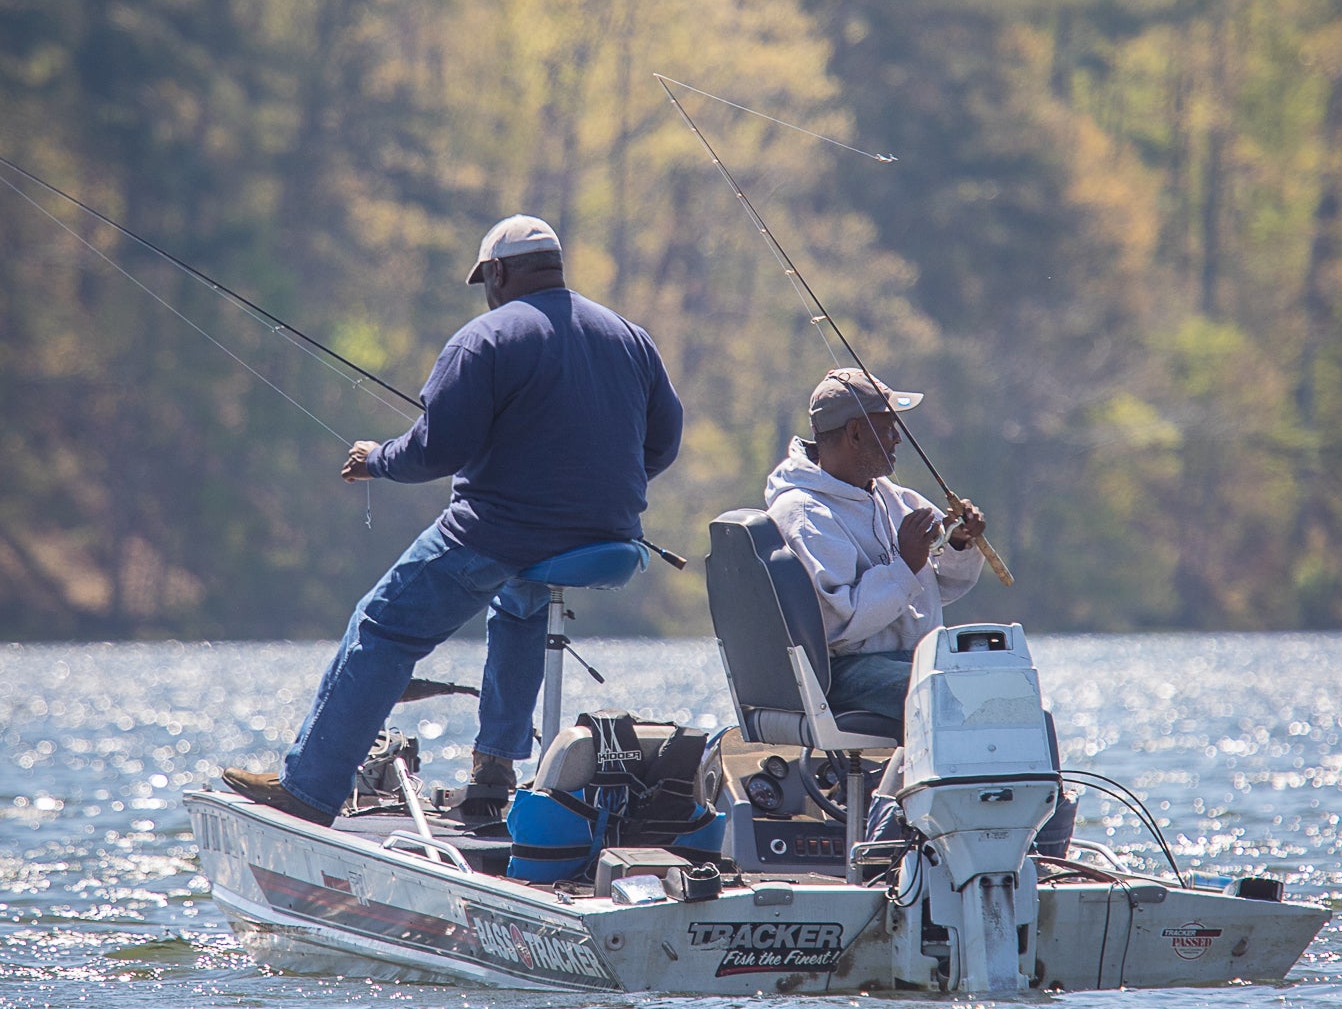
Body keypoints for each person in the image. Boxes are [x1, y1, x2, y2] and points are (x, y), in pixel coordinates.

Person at [224, 215, 684, 825]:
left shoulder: (483, 339)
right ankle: (494, 773)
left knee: (381, 627)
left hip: (497, 533)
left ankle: (308, 790)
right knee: (520, 603)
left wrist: (375, 459)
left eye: (486, 280)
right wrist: (593, 493)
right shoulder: (631, 337)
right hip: (609, 537)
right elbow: (663, 444)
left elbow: (434, 451)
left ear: (498, 272)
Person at [764, 367, 987, 730]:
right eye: (887, 427)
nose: (897, 438)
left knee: (1007, 689)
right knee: (953, 698)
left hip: (913, 659)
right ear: (854, 433)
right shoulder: (802, 513)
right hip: (845, 672)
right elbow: (838, 623)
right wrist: (906, 563)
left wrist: (958, 543)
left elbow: (942, 586)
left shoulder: (894, 498)